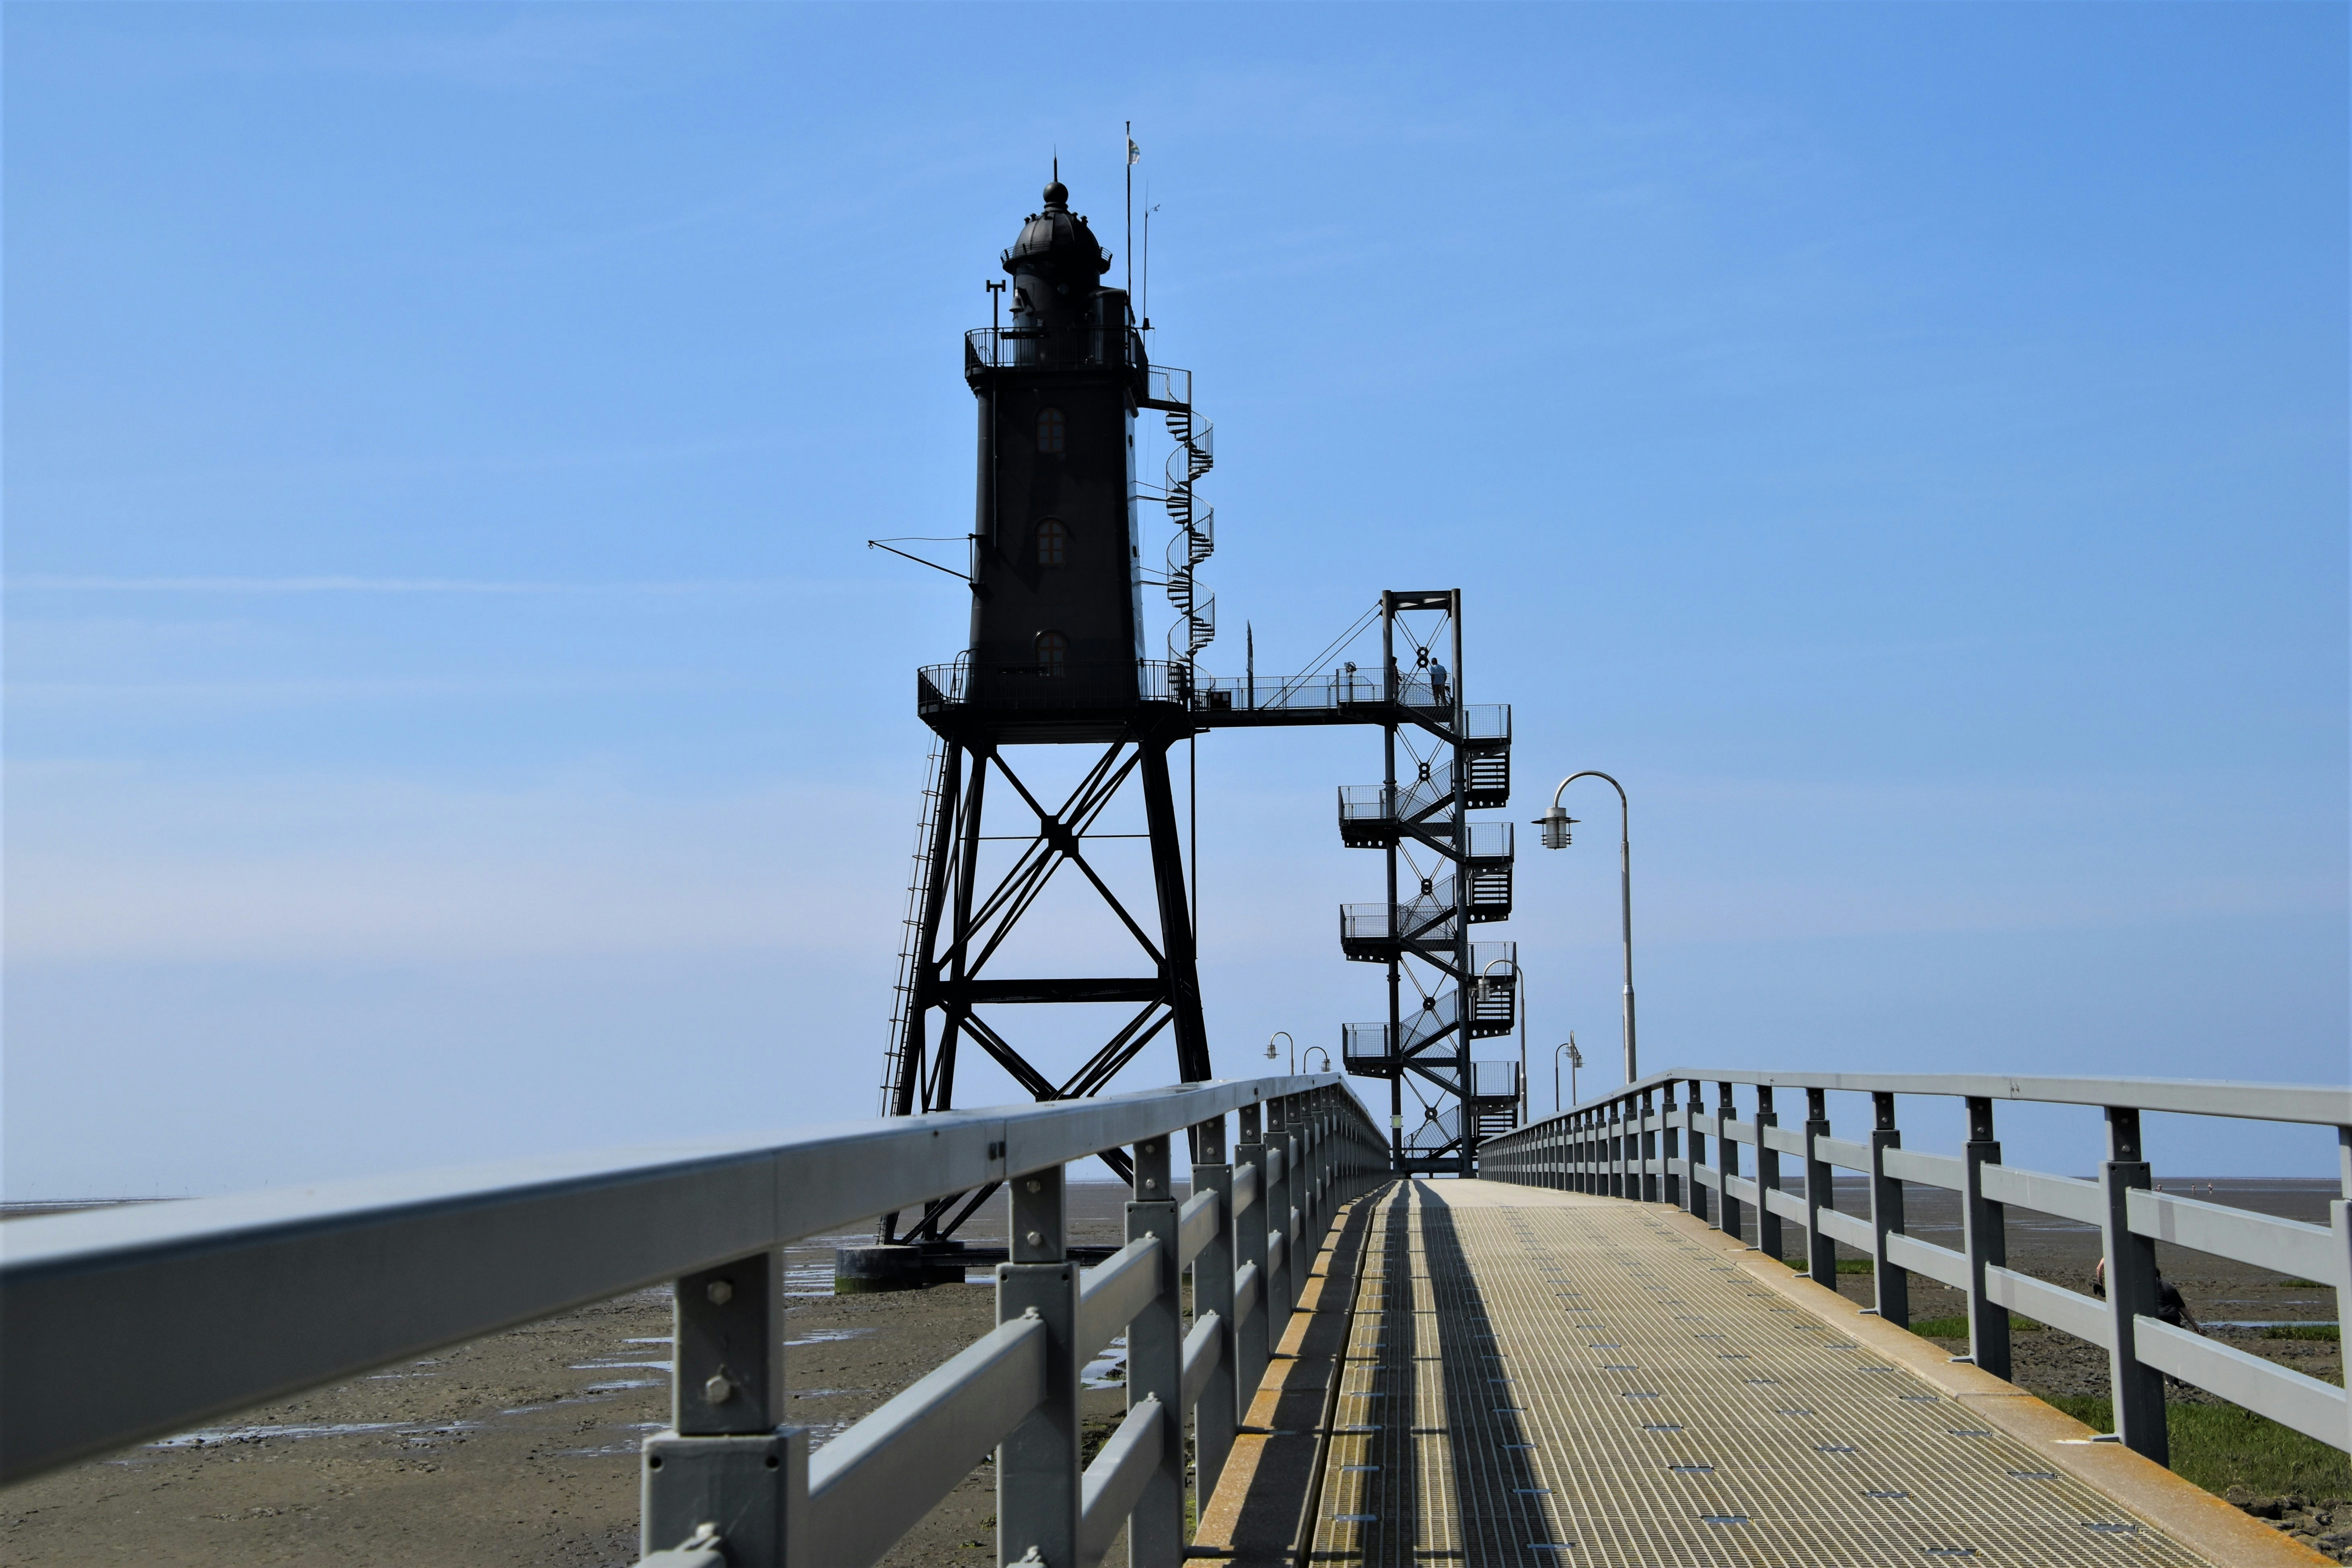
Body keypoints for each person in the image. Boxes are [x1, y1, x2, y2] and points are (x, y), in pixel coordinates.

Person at [2091, 1256, 2202, 1332]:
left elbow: (2099, 1269)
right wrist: (2196, 1327)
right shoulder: (2168, 1287)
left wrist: (2101, 1287)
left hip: (2151, 1318)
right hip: (2172, 1319)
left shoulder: (2139, 1286)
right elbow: (2183, 1309)